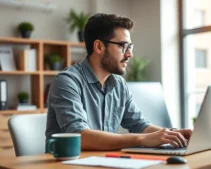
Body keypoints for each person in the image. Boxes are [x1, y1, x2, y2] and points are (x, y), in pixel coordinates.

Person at [45, 13, 192, 150]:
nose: (130, 54)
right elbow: (80, 136)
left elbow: (140, 125)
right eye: (123, 46)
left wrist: (176, 134)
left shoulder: (119, 84)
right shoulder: (67, 81)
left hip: (103, 162)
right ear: (99, 46)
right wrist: (142, 139)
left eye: (130, 47)